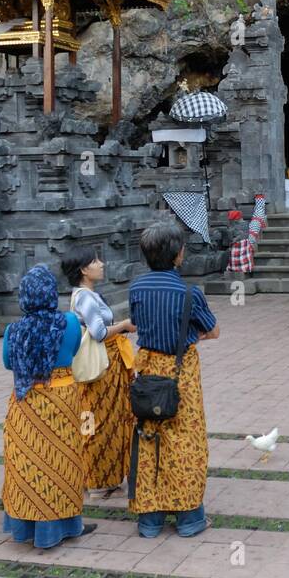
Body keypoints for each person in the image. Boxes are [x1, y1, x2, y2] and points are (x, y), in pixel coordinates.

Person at [127, 221, 219, 538]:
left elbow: (137, 324)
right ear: (179, 255)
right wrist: (188, 337)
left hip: (148, 372)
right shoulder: (189, 293)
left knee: (149, 436)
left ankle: (150, 520)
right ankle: (188, 517)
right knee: (185, 442)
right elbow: (214, 330)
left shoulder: (136, 288)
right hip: (182, 376)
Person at [0, 264, 97, 548]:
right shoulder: (68, 322)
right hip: (62, 401)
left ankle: (27, 528)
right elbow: (76, 348)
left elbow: (8, 363)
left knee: (28, 465)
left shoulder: (13, 330)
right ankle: (66, 525)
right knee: (63, 462)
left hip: (26, 402)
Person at [61, 248, 137, 495]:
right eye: (95, 261)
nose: (101, 264)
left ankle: (105, 477)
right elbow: (99, 333)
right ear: (84, 270)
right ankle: (97, 480)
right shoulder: (85, 297)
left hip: (105, 365)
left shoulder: (86, 294)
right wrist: (124, 325)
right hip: (102, 369)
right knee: (101, 422)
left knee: (103, 420)